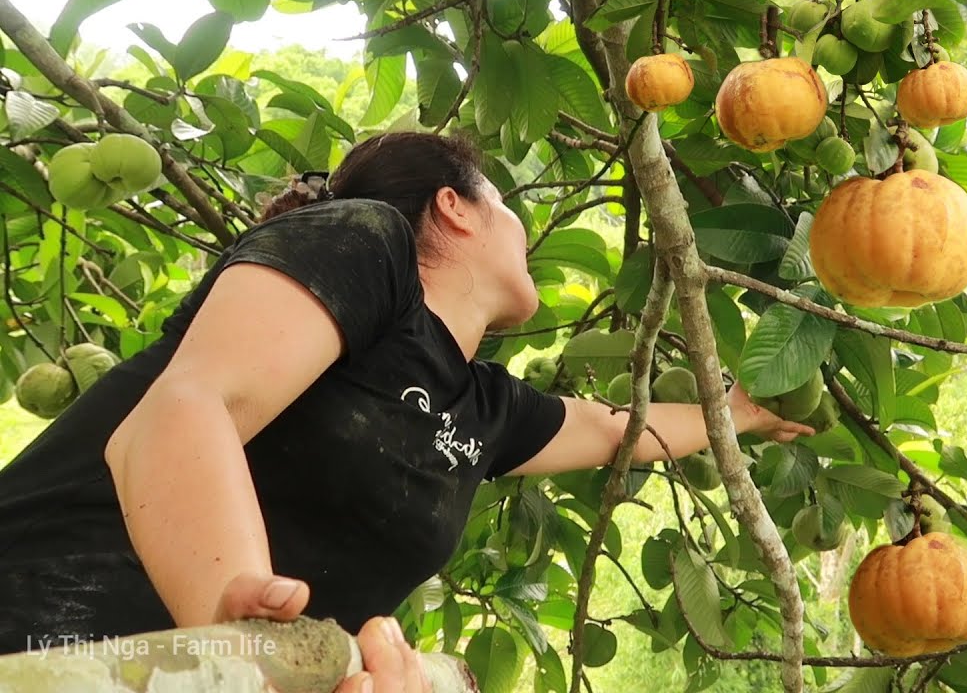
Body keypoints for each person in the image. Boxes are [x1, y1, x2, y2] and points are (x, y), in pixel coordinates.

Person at [0, 132, 812, 690]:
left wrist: (739, 413)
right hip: (38, 629)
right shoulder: (365, 240)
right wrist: (239, 640)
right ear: (456, 207)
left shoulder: (481, 406)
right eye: (507, 207)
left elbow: (611, 431)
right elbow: (184, 409)